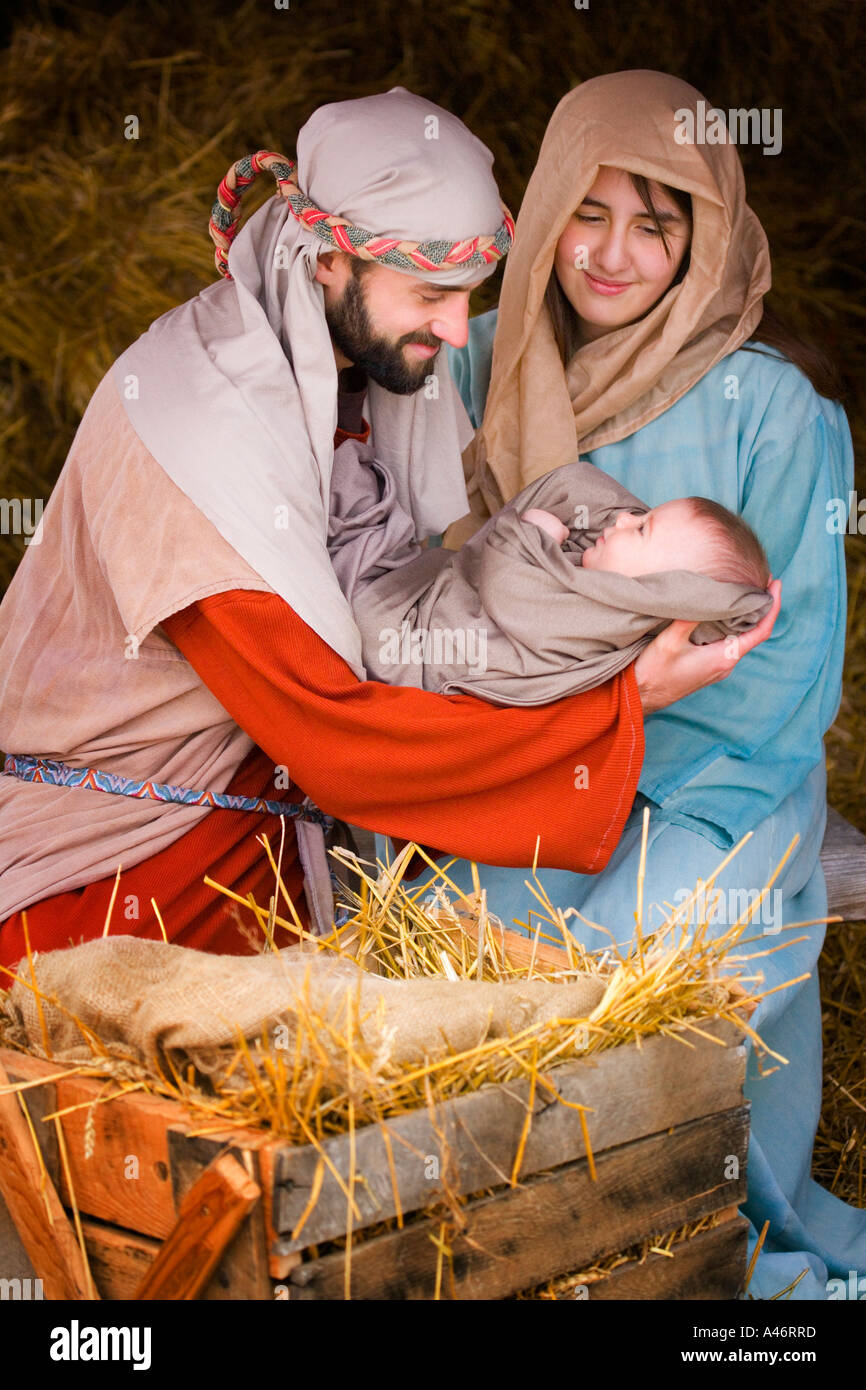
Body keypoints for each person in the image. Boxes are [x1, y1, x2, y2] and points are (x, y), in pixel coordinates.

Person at [0, 88, 778, 968]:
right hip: (128, 863)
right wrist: (623, 702)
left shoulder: (343, 373)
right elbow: (333, 738)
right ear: (330, 260)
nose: (457, 329)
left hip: (270, 817)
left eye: (469, 294)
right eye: (431, 293)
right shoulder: (204, 437)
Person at [407, 69, 859, 1299]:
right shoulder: (476, 362)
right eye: (587, 214)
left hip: (715, 777)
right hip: (517, 766)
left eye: (653, 226)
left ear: (702, 240)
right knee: (454, 957)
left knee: (640, 963)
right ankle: (487, 1247)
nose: (609, 255)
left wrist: (640, 775)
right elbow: (417, 569)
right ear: (547, 210)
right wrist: (525, 753)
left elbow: (787, 671)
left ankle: (686, 1248)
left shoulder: (773, 410)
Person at [327, 446, 772, 701]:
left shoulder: (602, 619)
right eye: (639, 514)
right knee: (375, 521)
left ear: (667, 591)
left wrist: (532, 535)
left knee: (363, 526)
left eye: (641, 529)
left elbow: (510, 589)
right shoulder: (612, 591)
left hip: (406, 658)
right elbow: (581, 489)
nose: (623, 519)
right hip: (431, 618)